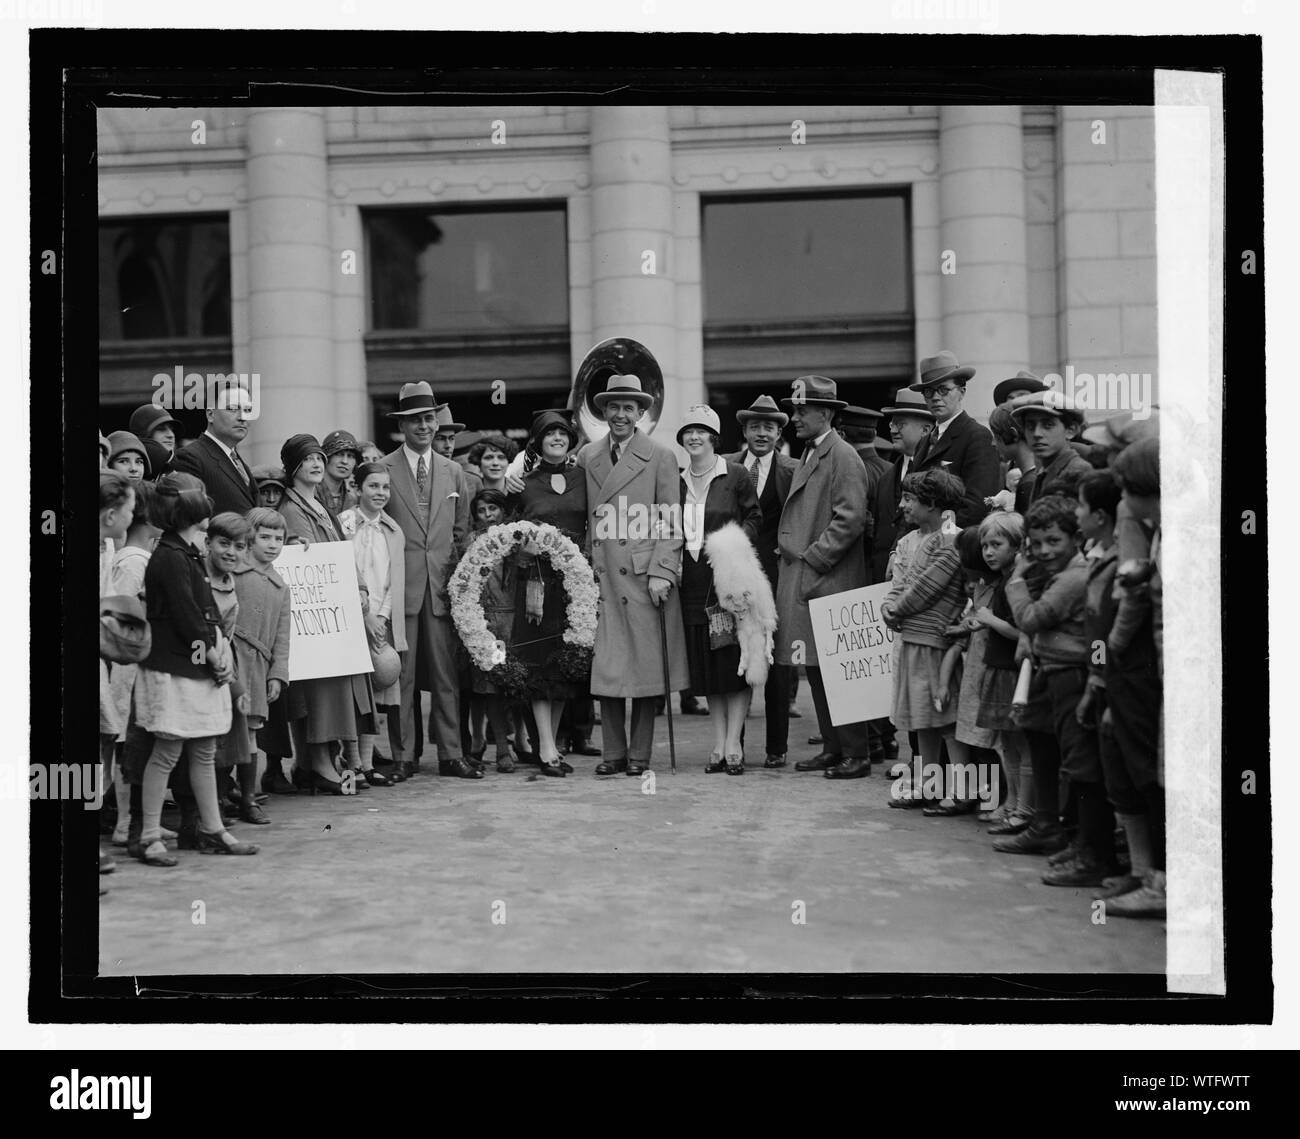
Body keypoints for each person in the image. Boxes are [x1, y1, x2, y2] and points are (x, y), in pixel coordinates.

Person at [133, 474, 257, 864]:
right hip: (175, 669)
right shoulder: (170, 556)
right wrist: (216, 655)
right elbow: (188, 619)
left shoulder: (185, 552)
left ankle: (213, 827)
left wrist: (217, 653)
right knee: (167, 751)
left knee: (203, 751)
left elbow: (205, 615)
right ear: (191, 509)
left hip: (195, 666)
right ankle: (150, 835)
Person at [997, 495, 1118, 887]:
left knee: (1079, 764)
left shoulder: (1073, 578)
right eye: (1038, 543)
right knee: (1047, 748)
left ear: (1074, 538)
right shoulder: (1061, 573)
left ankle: (1089, 853)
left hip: (1071, 676)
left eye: (1055, 541)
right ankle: (1053, 829)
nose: (1046, 550)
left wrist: (1016, 581)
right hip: (1050, 672)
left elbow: (1032, 618)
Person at [577, 373, 688, 777]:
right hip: (604, 573)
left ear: (641, 413)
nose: (620, 415)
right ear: (603, 411)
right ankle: (613, 753)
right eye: (613, 407)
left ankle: (639, 755)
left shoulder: (660, 456)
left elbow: (671, 521)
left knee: (643, 670)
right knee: (608, 667)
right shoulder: (588, 457)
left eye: (629, 408)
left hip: (643, 577)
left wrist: (662, 570)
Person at [774, 375, 873, 778]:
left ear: (826, 413)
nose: (793, 417)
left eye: (801, 410)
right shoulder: (817, 452)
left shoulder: (843, 455)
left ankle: (857, 753)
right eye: (794, 409)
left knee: (837, 672)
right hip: (813, 578)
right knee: (816, 669)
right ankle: (834, 747)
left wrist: (814, 558)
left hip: (827, 579)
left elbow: (850, 518)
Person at [378, 381, 474, 780]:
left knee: (446, 677)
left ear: (437, 424)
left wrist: (455, 580)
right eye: (415, 420)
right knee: (403, 676)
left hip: (441, 590)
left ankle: (452, 755)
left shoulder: (454, 472)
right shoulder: (382, 469)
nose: (423, 426)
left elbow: (462, 530)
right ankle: (403, 756)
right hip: (400, 591)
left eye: (428, 418)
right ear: (403, 425)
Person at [279, 433, 379, 792]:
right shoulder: (292, 509)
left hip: (336, 615)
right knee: (319, 693)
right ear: (293, 467)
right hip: (317, 622)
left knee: (331, 690)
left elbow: (341, 552)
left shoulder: (318, 503)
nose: (318, 464)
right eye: (308, 459)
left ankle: (318, 764)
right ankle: (319, 766)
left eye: (320, 457)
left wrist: (362, 587)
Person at [676, 406, 764, 774]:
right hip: (693, 580)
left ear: (714, 437)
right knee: (709, 665)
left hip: (728, 579)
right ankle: (717, 742)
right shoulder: (675, 478)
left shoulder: (737, 475)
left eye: (702, 431)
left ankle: (734, 746)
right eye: (688, 432)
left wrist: (732, 551)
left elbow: (755, 518)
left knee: (733, 662)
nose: (694, 437)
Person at [880, 471, 968, 807]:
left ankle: (962, 789)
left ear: (932, 504)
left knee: (944, 718)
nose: (902, 505)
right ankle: (929, 784)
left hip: (936, 642)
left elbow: (926, 588)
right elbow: (901, 584)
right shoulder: (914, 541)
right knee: (922, 718)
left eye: (909, 499)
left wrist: (897, 608)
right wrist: (890, 606)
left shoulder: (951, 540)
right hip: (915, 639)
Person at [509, 411, 590, 777]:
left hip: (574, 585)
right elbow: (505, 535)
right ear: (537, 441)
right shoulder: (522, 484)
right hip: (536, 583)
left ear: (571, 440)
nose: (556, 437)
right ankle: (544, 748)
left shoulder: (584, 479)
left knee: (564, 665)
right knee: (540, 662)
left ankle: (552, 743)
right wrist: (522, 551)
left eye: (562, 432)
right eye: (549, 433)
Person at [1102, 440, 1164, 917]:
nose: (1122, 500)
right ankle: (1154, 878)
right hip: (1162, 670)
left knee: (1160, 777)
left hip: (1169, 673)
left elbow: (1135, 604)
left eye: (1127, 489)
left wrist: (1115, 651)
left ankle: (1163, 884)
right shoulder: (1156, 528)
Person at [723, 394, 797, 768]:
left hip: (778, 575)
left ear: (779, 432)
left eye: (769, 427)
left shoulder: (793, 470)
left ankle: (776, 748)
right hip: (734, 573)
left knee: (778, 661)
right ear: (745, 430)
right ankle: (733, 743)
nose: (762, 433)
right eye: (755, 426)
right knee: (737, 654)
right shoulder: (726, 466)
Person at [338, 463, 409, 786]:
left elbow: (396, 580)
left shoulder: (392, 530)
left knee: (379, 687)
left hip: (381, 620)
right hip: (352, 619)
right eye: (373, 486)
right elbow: (342, 571)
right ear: (357, 488)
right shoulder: (343, 524)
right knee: (355, 694)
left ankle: (366, 764)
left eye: (385, 487)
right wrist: (362, 614)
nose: (380, 493)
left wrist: (381, 617)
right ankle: (351, 760)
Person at [973, 509, 1034, 834]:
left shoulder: (1017, 582)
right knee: (1007, 744)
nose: (989, 552)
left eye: (997, 544)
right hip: (999, 669)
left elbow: (1021, 629)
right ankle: (1011, 803)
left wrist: (989, 620)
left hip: (1013, 671)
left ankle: (1023, 808)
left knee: (1020, 744)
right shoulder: (1003, 580)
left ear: (1017, 545)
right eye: (985, 546)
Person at [231, 507, 294, 815]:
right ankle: (220, 794)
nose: (272, 544)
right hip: (230, 661)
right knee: (223, 729)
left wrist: (277, 674)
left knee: (251, 730)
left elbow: (283, 637)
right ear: (250, 538)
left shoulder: (282, 587)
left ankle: (248, 796)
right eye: (265, 537)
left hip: (258, 667)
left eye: (278, 538)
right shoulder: (232, 572)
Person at [908, 351, 1000, 527]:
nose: (936, 397)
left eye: (944, 390)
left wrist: (939, 541)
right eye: (929, 391)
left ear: (962, 392)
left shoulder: (976, 436)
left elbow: (977, 505)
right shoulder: (924, 442)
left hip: (954, 546)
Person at [870, 390, 934, 584]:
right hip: (883, 583)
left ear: (926, 430)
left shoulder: (935, 474)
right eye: (892, 423)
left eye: (900, 424)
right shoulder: (886, 477)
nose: (893, 430)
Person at [168, 382, 259, 516]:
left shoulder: (236, 460)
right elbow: (190, 519)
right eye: (233, 409)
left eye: (247, 410)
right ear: (210, 415)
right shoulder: (190, 457)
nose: (243, 417)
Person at [1009, 393, 1094, 507]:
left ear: (1070, 430)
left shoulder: (1078, 473)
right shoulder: (1045, 471)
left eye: (1048, 425)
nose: (1037, 433)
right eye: (1030, 426)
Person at [320, 430, 362, 518]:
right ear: (326, 457)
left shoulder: (354, 500)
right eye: (339, 454)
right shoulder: (310, 494)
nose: (345, 461)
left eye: (350, 456)